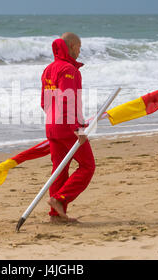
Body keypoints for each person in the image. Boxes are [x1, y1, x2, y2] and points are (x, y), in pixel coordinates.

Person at [40, 32, 96, 223]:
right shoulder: (69, 70)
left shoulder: (49, 69)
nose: (80, 51)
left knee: (59, 169)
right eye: (79, 47)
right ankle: (58, 199)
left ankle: (56, 216)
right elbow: (68, 100)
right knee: (87, 166)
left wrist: (53, 120)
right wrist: (77, 128)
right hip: (66, 125)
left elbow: (44, 102)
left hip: (51, 125)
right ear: (71, 46)